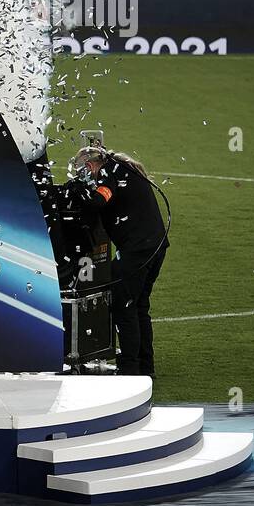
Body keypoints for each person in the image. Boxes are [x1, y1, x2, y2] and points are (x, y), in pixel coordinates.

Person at [71, 147, 168, 377]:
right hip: (156, 246)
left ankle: (130, 370)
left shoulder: (107, 173)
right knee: (139, 306)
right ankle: (146, 367)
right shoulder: (126, 169)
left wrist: (80, 192)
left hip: (136, 251)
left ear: (89, 166)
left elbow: (99, 200)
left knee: (124, 308)